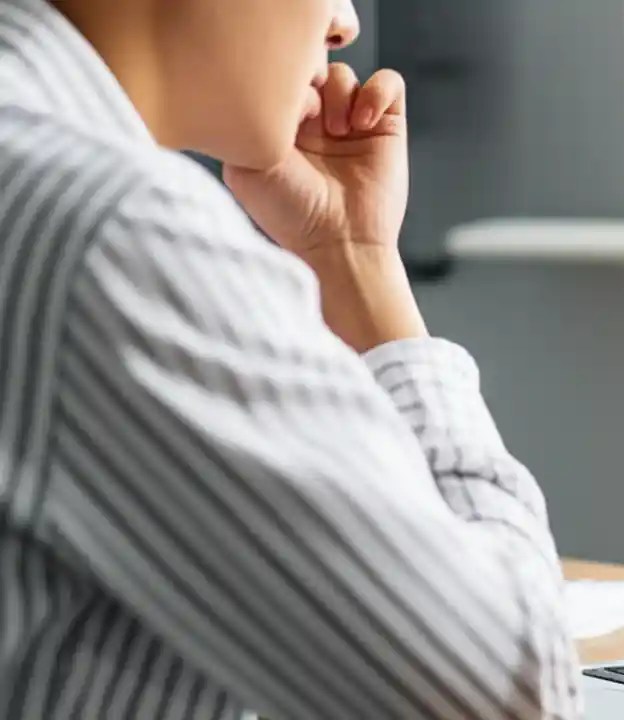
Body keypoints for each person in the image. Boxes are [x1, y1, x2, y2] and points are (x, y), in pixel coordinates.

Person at [0, 0, 581, 717]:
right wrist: (370, 289)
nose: (344, 22)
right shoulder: (113, 230)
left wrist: (350, 254)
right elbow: (510, 693)